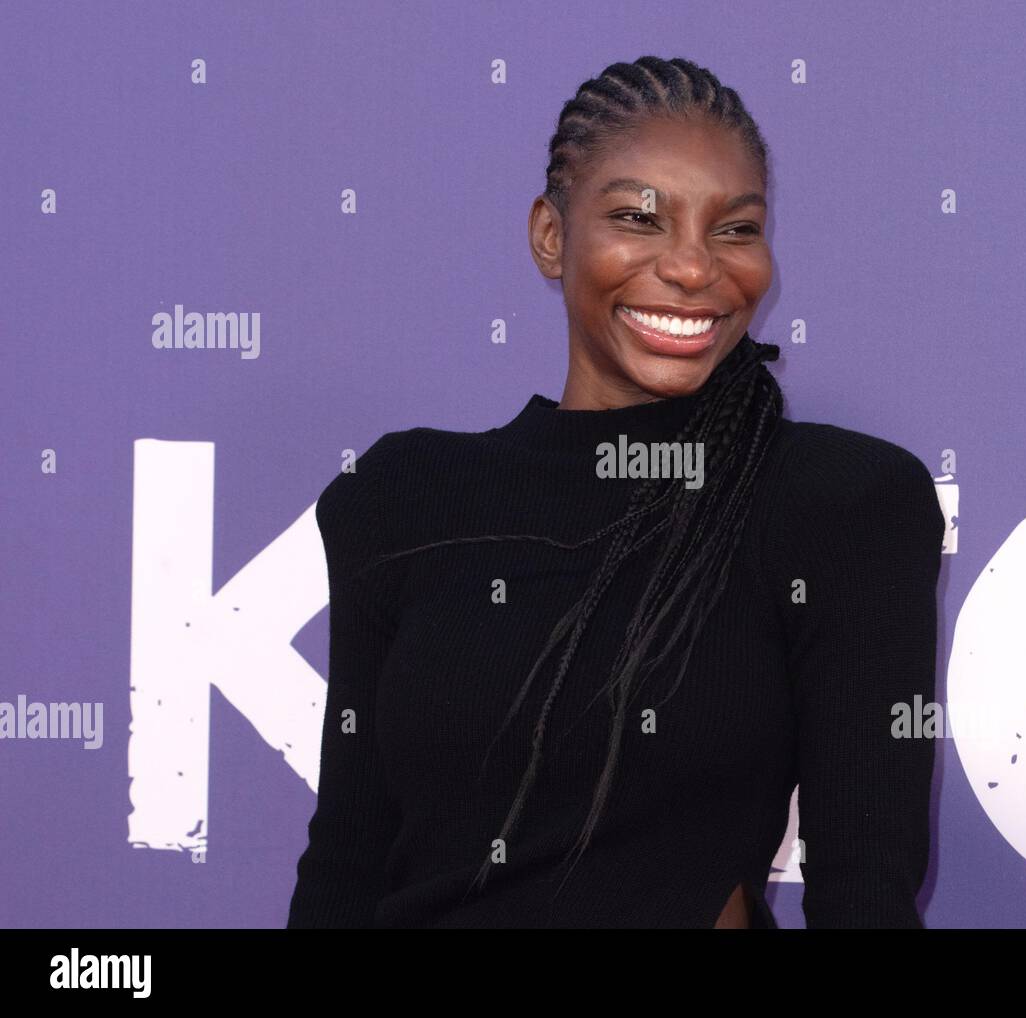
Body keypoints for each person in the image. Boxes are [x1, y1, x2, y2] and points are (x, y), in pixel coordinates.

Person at [286, 55, 945, 929]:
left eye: (735, 230)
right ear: (550, 237)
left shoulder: (841, 504)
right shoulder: (402, 496)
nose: (691, 267)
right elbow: (344, 865)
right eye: (640, 217)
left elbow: (865, 892)